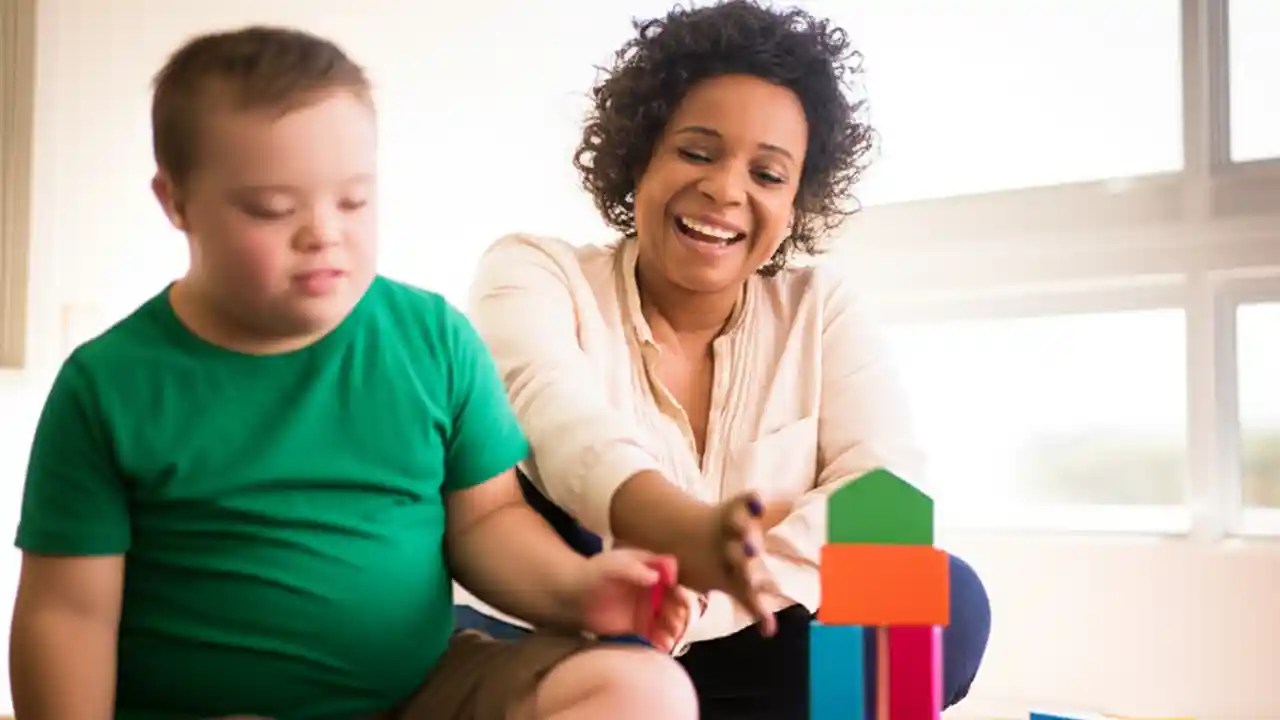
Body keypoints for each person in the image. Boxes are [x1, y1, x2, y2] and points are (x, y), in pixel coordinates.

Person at [8, 26, 705, 720]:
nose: (323, 232)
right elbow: (67, 615)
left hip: (419, 690)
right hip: (211, 709)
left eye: (352, 201)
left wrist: (578, 589)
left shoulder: (431, 340)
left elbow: (488, 519)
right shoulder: (110, 387)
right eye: (273, 209)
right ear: (177, 202)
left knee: (646, 692)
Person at [458, 1, 993, 718]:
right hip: (587, 636)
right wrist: (675, 547)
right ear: (640, 154)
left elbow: (886, 491)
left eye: (768, 175)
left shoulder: (819, 308)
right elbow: (564, 430)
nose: (726, 190)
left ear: (797, 202)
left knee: (943, 596)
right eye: (698, 151)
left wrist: (715, 584)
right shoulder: (532, 272)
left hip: (754, 643)